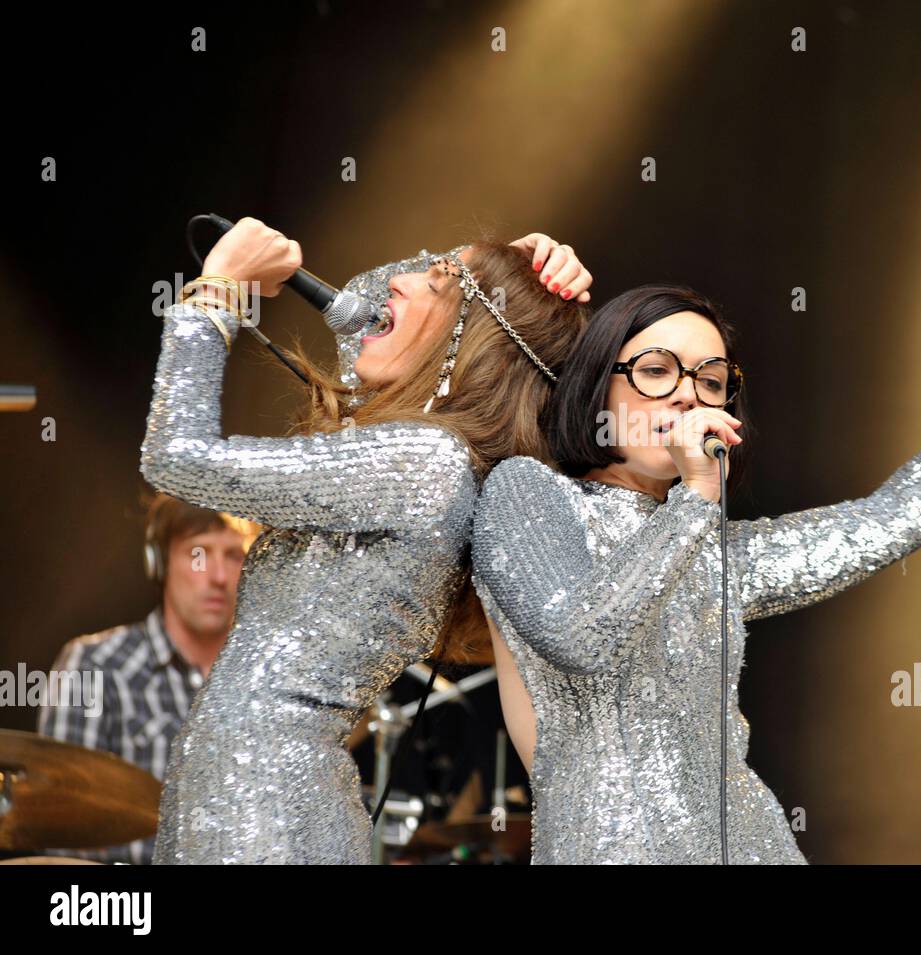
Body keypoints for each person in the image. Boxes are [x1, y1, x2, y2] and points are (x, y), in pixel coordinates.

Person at [470, 252, 921, 863]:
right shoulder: (527, 493)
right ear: (596, 384)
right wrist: (696, 499)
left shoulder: (715, 551)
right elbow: (579, 637)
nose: (688, 397)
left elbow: (887, 521)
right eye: (657, 371)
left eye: (711, 381)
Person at [141, 217, 590, 863]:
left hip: (264, 797)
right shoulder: (425, 451)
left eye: (435, 279)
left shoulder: (427, 462)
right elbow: (366, 310)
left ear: (472, 341)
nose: (398, 280)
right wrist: (504, 259)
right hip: (243, 780)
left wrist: (217, 293)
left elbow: (177, 456)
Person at [37, 492, 258, 864]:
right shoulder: (96, 665)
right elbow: (62, 833)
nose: (219, 576)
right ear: (159, 563)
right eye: (199, 553)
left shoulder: (264, 682)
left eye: (234, 555)